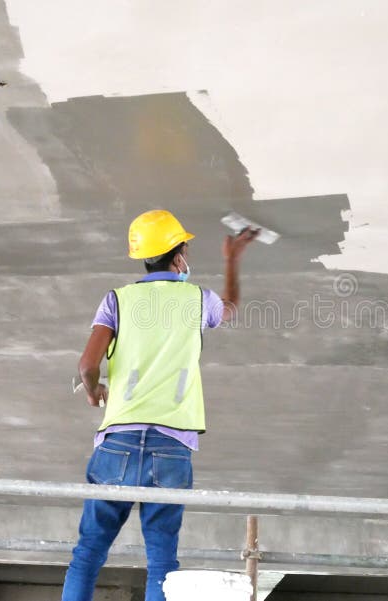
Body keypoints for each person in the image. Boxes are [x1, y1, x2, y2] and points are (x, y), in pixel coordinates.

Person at [61, 209, 257, 601]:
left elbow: (87, 366)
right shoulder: (197, 299)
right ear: (178, 257)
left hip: (117, 443)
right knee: (162, 561)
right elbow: (231, 307)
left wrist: (93, 392)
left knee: (88, 552)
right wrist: (232, 259)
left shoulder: (117, 300)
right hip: (171, 447)